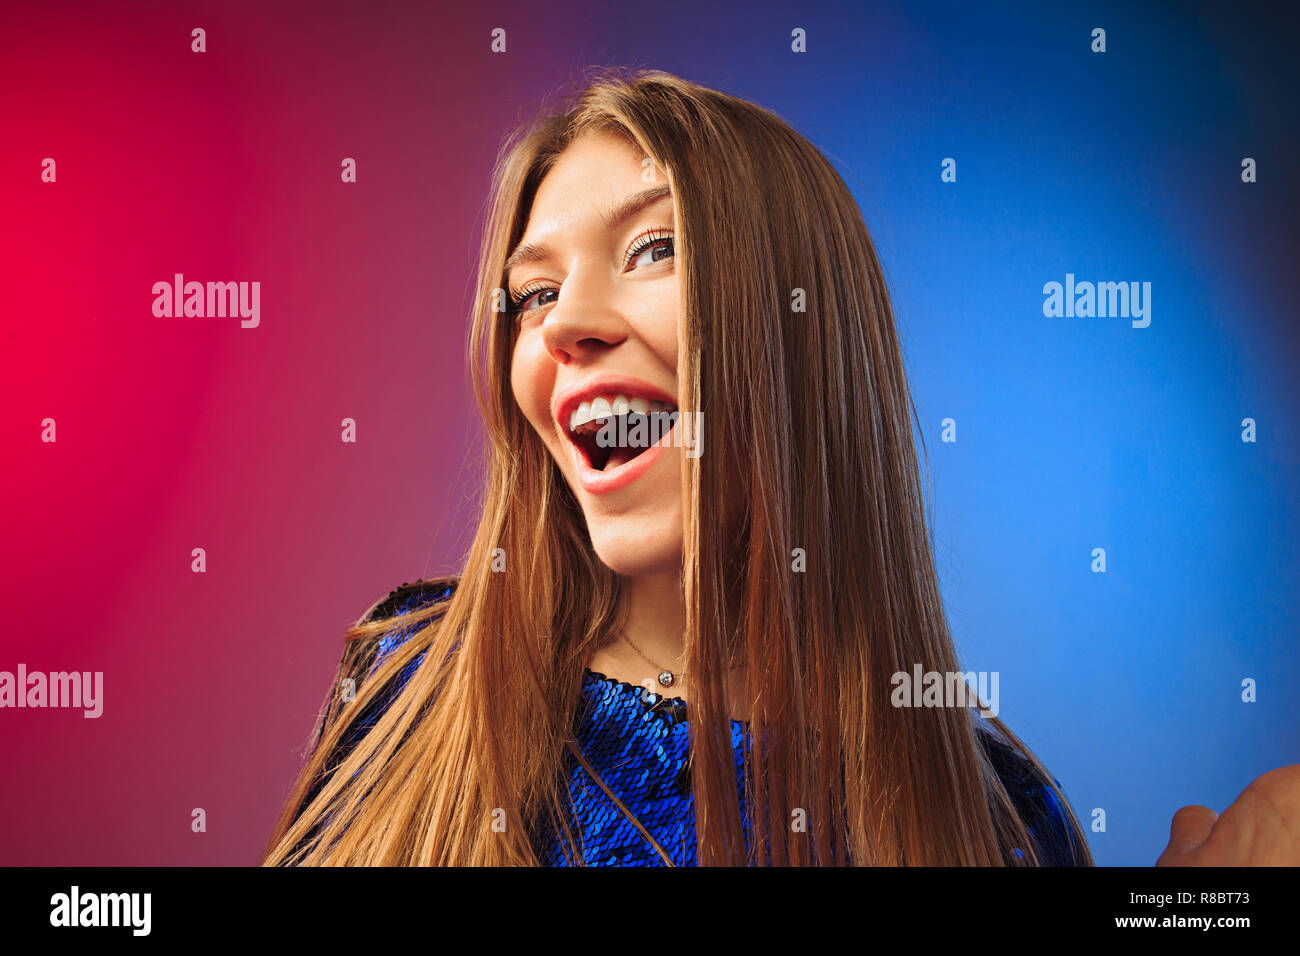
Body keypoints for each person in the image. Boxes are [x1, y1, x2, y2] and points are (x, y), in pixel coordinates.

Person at [262, 67, 1297, 867]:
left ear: (802, 328)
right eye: (532, 293)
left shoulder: (994, 806)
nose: (564, 323)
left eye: (655, 249)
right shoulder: (408, 691)